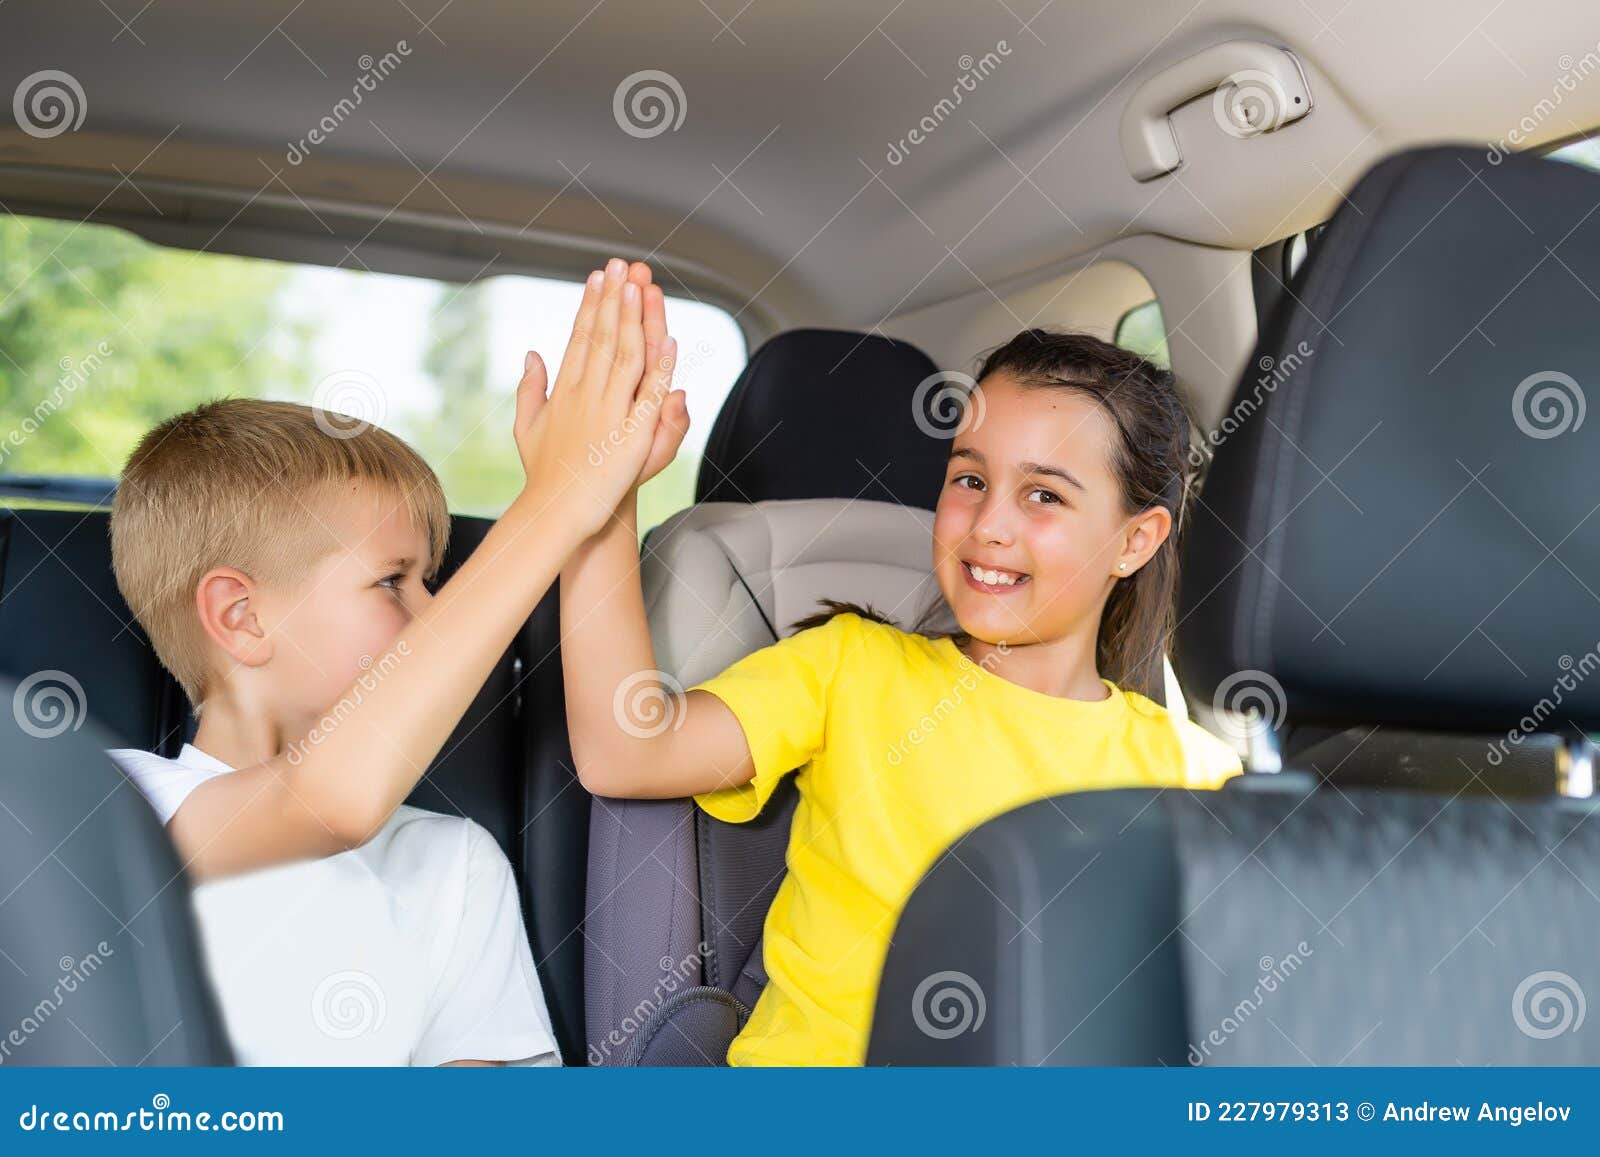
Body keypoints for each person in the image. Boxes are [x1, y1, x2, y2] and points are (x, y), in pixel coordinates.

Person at [561, 327, 1242, 1065]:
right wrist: (597, 494)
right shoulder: (851, 668)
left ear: (1136, 541)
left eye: (1043, 494)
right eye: (970, 479)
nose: (989, 526)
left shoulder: (1196, 775)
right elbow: (626, 752)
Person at [106, 258, 687, 1065]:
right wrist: (557, 499)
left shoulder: (455, 864)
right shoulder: (115, 800)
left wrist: (597, 499)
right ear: (241, 617)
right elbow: (327, 800)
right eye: (392, 581)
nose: (435, 611)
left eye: (433, 580)